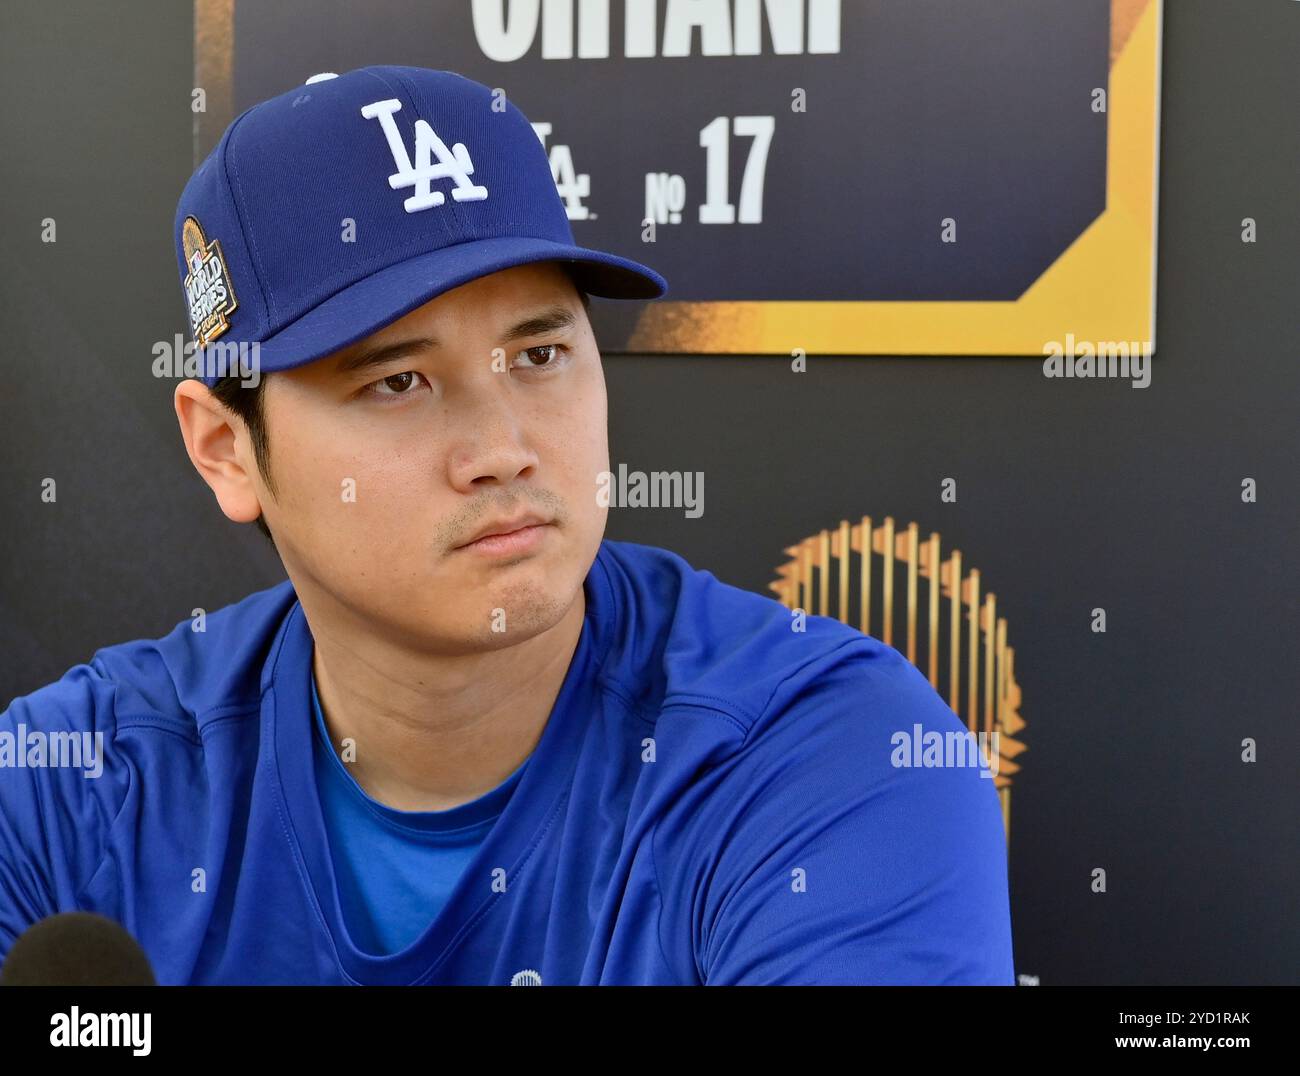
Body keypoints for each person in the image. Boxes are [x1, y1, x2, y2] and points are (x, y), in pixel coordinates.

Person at [0, 66, 1014, 984]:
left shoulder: (819, 752)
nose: (503, 444)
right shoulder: (72, 784)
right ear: (227, 448)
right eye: (398, 379)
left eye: (538, 355)